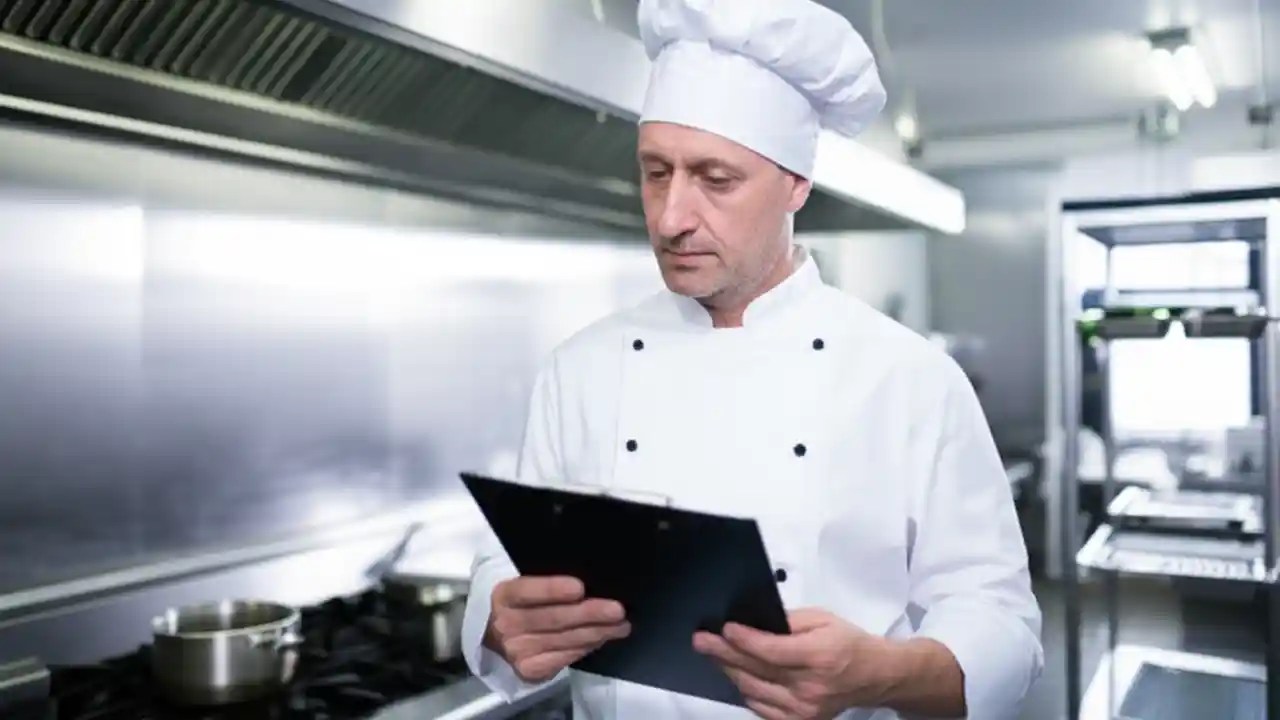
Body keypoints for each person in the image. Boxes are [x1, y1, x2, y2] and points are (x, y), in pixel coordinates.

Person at [460, 0, 1044, 717]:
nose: (671, 218)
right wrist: (499, 614)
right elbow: (509, 563)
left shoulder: (908, 379)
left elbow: (1003, 623)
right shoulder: (577, 369)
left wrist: (886, 672)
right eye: (655, 173)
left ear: (797, 183)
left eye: (715, 178)